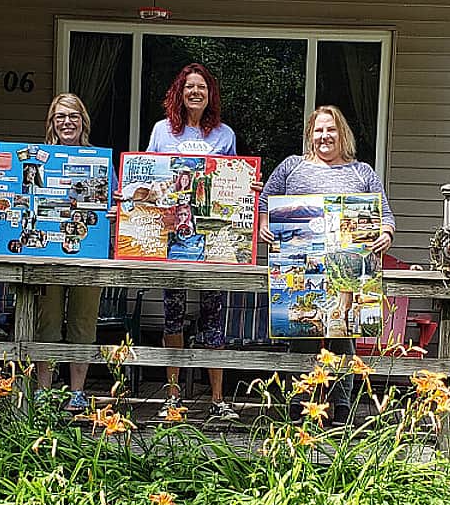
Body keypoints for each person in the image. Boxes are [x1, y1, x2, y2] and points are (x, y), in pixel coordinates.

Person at [258, 105, 396, 422]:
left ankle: (342, 406)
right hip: (299, 266)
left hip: (346, 266)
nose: (324, 136)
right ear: (311, 135)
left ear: (341, 133)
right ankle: (299, 403)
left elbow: (385, 214)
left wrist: (385, 234)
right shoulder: (292, 166)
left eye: (330, 129)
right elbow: (266, 198)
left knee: (342, 335)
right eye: (319, 130)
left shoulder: (362, 172)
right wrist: (265, 221)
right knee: (301, 333)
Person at [141, 63, 240, 422]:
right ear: (179, 93)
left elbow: (234, 183)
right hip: (172, 236)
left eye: (201, 87)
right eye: (189, 87)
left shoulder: (224, 135)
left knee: (214, 316)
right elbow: (148, 175)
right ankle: (173, 397)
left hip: (213, 240)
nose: (195, 92)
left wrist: (249, 191)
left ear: (210, 93)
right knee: (173, 316)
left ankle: (217, 399)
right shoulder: (162, 131)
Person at [33, 93, 107, 412]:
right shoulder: (36, 159)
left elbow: (112, 205)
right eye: (60, 116)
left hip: (88, 257)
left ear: (83, 121)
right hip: (47, 257)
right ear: (52, 122)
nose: (67, 122)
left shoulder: (98, 161)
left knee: (83, 324)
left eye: (73, 116)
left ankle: (77, 392)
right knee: (46, 322)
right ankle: (44, 391)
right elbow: (14, 194)